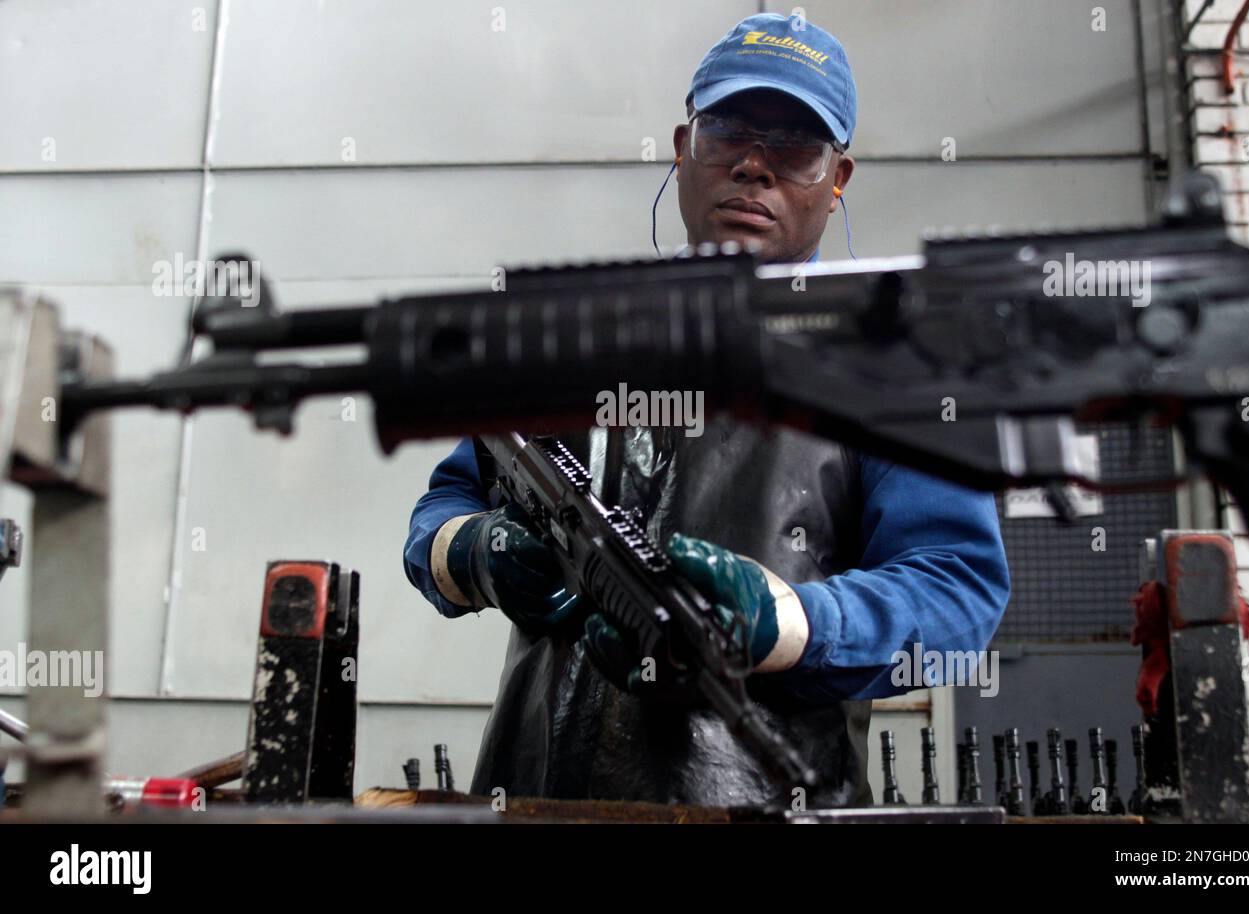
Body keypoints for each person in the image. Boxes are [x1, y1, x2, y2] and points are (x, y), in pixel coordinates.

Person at [403, 13, 1011, 807]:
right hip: (535, 799)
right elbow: (449, 498)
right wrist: (467, 551)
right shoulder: (576, 340)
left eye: (795, 147)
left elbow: (959, 594)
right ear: (684, 145)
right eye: (729, 132)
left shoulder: (893, 366)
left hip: (762, 805)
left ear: (838, 179)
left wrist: (791, 623)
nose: (754, 167)